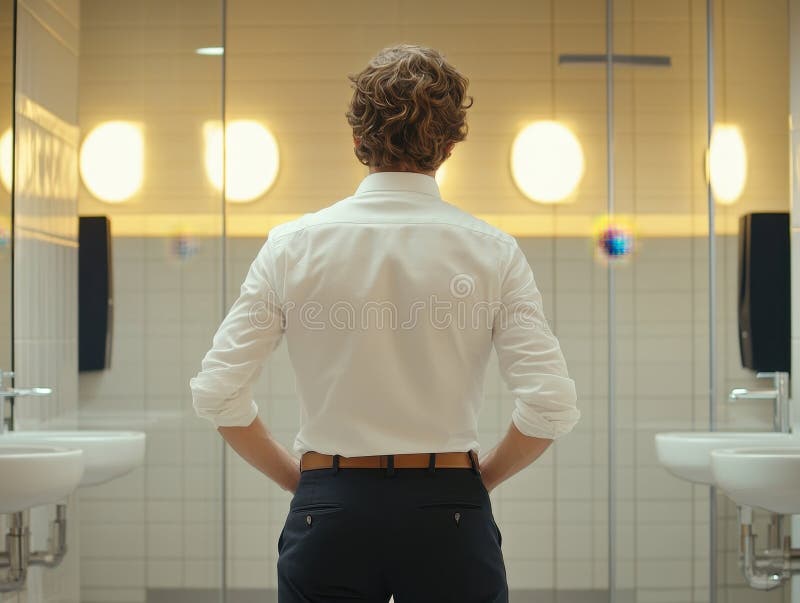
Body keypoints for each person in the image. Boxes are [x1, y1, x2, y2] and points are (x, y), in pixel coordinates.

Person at [190, 42, 579, 603]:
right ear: (449, 146)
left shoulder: (292, 247)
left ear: (357, 141)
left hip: (328, 508)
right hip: (451, 511)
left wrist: (306, 484)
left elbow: (218, 391)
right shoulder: (492, 251)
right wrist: (475, 482)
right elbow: (551, 404)